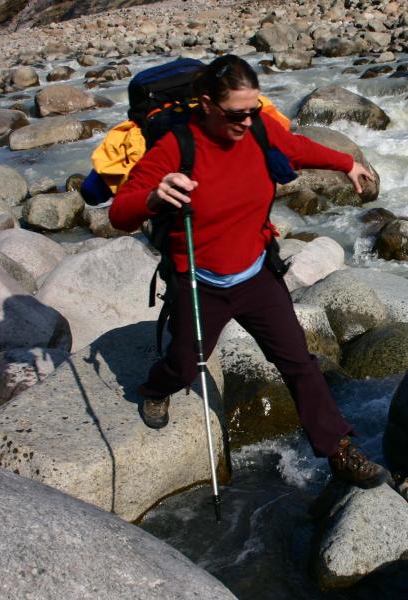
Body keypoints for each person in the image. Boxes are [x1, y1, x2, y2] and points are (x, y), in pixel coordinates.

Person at [108, 55, 389, 489]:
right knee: (186, 364)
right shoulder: (176, 148)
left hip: (257, 274)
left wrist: (345, 163)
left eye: (253, 109)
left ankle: (339, 452)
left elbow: (295, 147)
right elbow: (119, 213)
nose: (246, 120)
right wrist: (154, 196)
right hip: (201, 284)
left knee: (299, 364)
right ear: (207, 104)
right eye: (236, 113)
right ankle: (154, 390)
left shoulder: (258, 129)